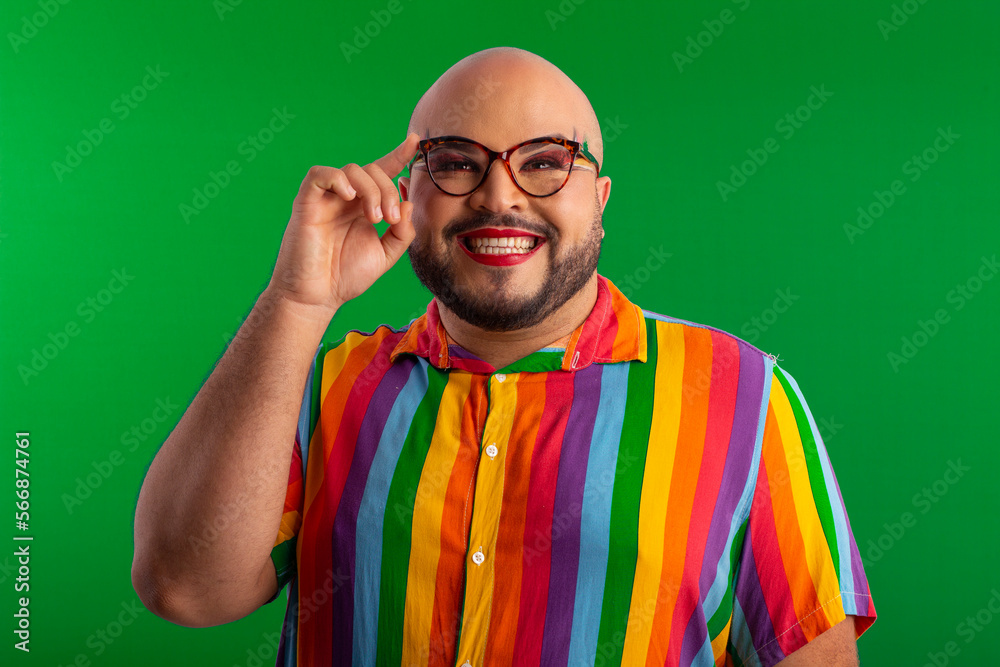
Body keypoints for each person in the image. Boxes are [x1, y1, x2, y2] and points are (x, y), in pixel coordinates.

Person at [132, 47, 876, 666]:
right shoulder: (321, 383)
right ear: (408, 193)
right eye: (456, 161)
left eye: (546, 161)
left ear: (601, 200)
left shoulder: (744, 396)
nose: (498, 196)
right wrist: (298, 302)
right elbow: (185, 587)